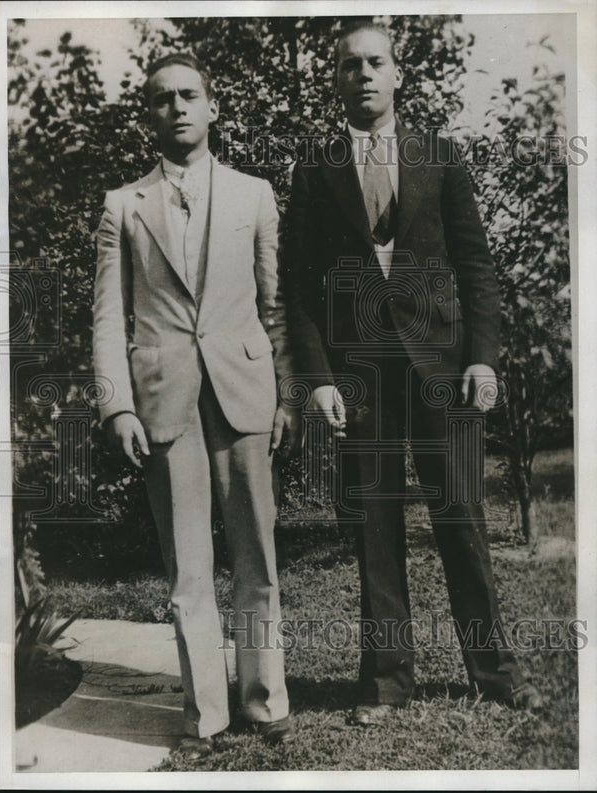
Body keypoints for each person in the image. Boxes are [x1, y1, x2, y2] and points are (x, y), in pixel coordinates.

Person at [285, 21, 542, 725]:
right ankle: (386, 681)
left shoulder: (441, 157)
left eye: (376, 63)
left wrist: (483, 357)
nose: (363, 75)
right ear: (334, 79)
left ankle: (495, 672)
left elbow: (477, 265)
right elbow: (299, 289)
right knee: (374, 521)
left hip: (443, 367)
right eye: (348, 66)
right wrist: (321, 379)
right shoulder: (316, 167)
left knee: (460, 515)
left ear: (399, 73)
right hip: (359, 373)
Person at [93, 52, 296, 757]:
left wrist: (286, 393)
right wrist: (117, 405)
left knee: (256, 553)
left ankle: (265, 699)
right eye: (160, 99)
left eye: (189, 94)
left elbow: (276, 309)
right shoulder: (124, 205)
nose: (176, 107)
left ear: (213, 107)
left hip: (244, 392)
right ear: (147, 116)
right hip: (164, 398)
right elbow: (106, 316)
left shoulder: (255, 195)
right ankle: (206, 713)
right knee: (186, 564)